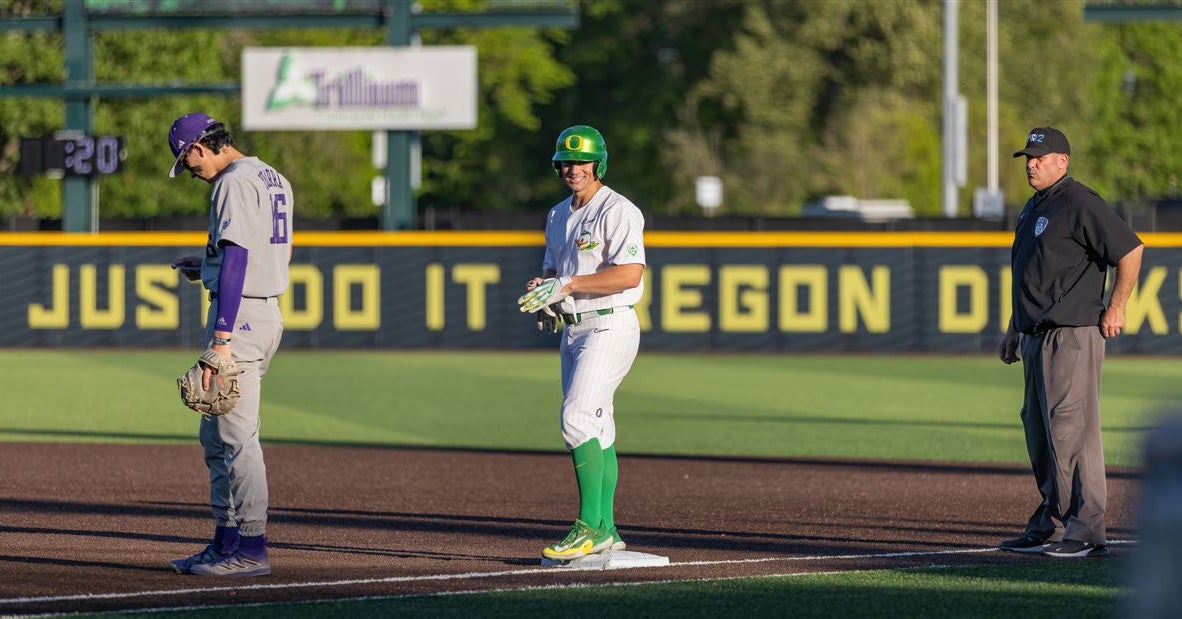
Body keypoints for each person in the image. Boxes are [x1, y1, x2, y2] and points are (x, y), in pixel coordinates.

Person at [997, 126, 1143, 558]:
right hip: (1034, 335)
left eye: (1040, 156)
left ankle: (1086, 528)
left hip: (1072, 334)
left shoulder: (1080, 201)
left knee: (1072, 432)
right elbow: (1032, 276)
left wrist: (1116, 306)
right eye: (1028, 156)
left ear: (1063, 161)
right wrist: (1013, 327)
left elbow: (1131, 251)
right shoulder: (1033, 207)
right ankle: (1051, 518)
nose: (1031, 163)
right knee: (1040, 430)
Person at [166, 112, 293, 577]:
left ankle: (251, 549)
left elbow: (240, 254)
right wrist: (208, 265)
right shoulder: (271, 175)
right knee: (215, 433)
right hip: (259, 311)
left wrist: (221, 337)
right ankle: (224, 542)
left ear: (200, 147)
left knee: (238, 439)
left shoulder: (232, 182)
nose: (191, 171)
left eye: (187, 161)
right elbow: (247, 251)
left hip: (238, 322)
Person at [517, 125, 646, 561]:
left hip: (611, 324)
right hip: (574, 329)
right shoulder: (557, 215)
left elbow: (630, 274)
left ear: (599, 164)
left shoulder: (619, 209)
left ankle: (588, 525)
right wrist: (546, 293)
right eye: (566, 161)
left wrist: (566, 286)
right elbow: (555, 276)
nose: (574, 168)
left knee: (575, 417)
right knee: (598, 426)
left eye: (582, 160)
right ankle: (607, 528)